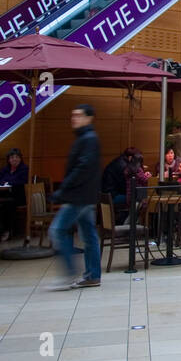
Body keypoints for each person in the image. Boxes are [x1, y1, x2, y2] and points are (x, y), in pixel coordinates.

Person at [50, 105, 103, 290]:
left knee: (57, 230)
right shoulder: (87, 138)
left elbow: (83, 168)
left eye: (79, 115)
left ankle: (70, 271)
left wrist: (64, 189)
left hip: (78, 197)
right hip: (85, 196)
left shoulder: (88, 139)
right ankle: (92, 275)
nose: (74, 118)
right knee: (89, 236)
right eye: (73, 115)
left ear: (89, 118)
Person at [0, 148, 29, 242]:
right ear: (8, 159)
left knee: (8, 205)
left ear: (20, 159)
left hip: (19, 196)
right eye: (12, 157)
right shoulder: (5, 169)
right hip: (5, 194)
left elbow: (21, 181)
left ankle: (7, 230)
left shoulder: (24, 169)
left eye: (17, 157)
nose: (14, 159)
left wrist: (8, 182)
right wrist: (6, 182)